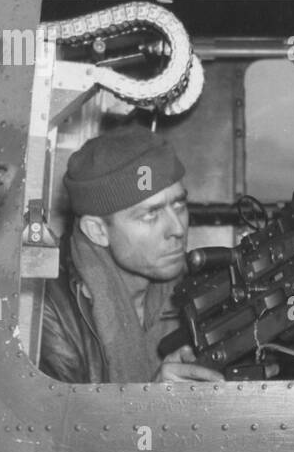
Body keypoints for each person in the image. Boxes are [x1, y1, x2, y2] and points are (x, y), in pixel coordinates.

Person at [38, 126, 222, 385]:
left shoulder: (197, 288)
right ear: (98, 231)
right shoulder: (48, 312)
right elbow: (59, 424)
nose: (178, 229)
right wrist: (151, 405)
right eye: (151, 214)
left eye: (179, 205)